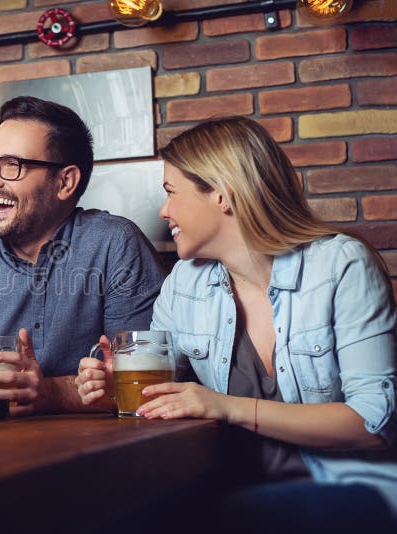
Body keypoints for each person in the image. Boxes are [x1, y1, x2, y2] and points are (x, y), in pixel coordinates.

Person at [76, 116, 396, 528]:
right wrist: (116, 390)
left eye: (171, 192)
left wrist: (228, 407)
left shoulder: (341, 266)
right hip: (228, 481)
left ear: (223, 196)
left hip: (353, 484)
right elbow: (166, 393)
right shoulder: (183, 284)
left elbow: (373, 422)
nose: (164, 210)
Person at [0, 96, 166, 415]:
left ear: (65, 182)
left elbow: (148, 388)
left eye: (11, 165)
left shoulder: (114, 245)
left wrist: (53, 392)